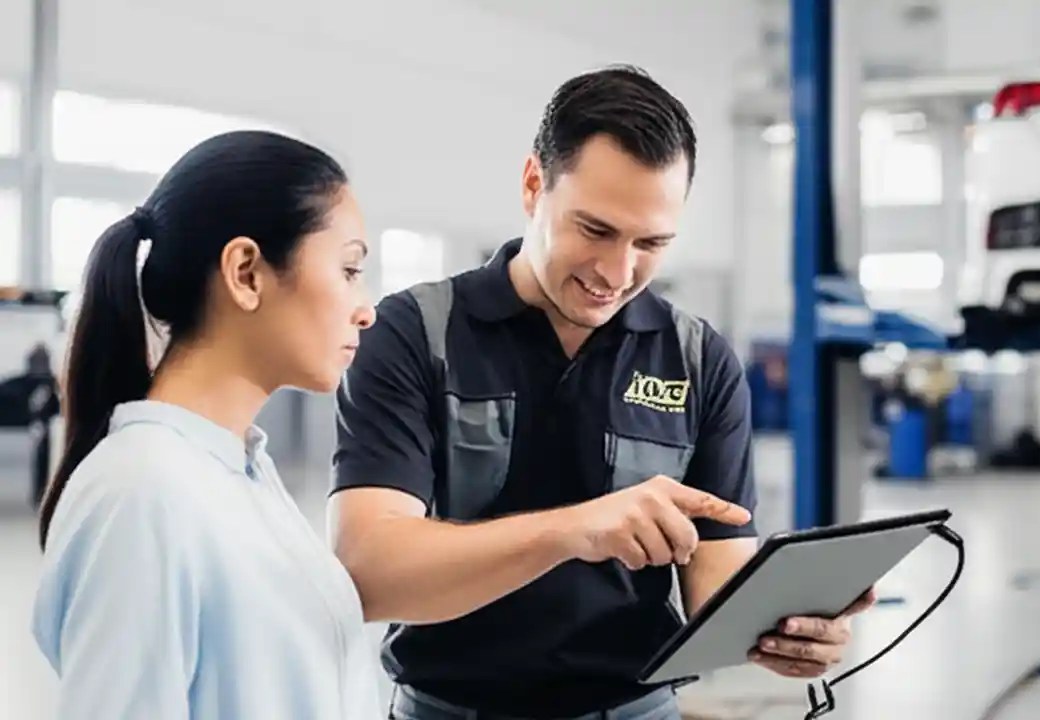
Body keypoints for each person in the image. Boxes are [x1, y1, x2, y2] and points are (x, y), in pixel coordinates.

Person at [329, 65, 875, 720]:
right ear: (533, 184)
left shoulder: (698, 360)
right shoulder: (413, 335)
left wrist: (784, 628)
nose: (617, 273)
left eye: (651, 243)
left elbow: (716, 584)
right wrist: (576, 530)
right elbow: (369, 571)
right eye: (595, 230)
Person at [31, 130, 382, 720]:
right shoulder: (142, 492)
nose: (366, 308)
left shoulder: (238, 469)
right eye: (349, 269)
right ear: (246, 273)